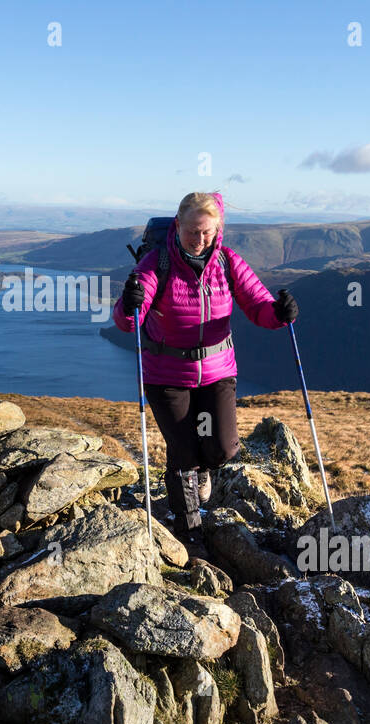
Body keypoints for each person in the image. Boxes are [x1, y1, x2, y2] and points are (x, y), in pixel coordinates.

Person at [112, 191, 298, 545]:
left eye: (207, 233)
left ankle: (203, 471)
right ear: (178, 226)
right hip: (166, 375)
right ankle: (189, 533)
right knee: (182, 451)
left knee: (222, 449)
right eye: (192, 232)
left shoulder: (227, 263)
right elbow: (126, 321)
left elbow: (258, 304)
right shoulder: (156, 263)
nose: (199, 241)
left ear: (218, 230)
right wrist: (129, 305)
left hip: (216, 371)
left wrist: (279, 313)